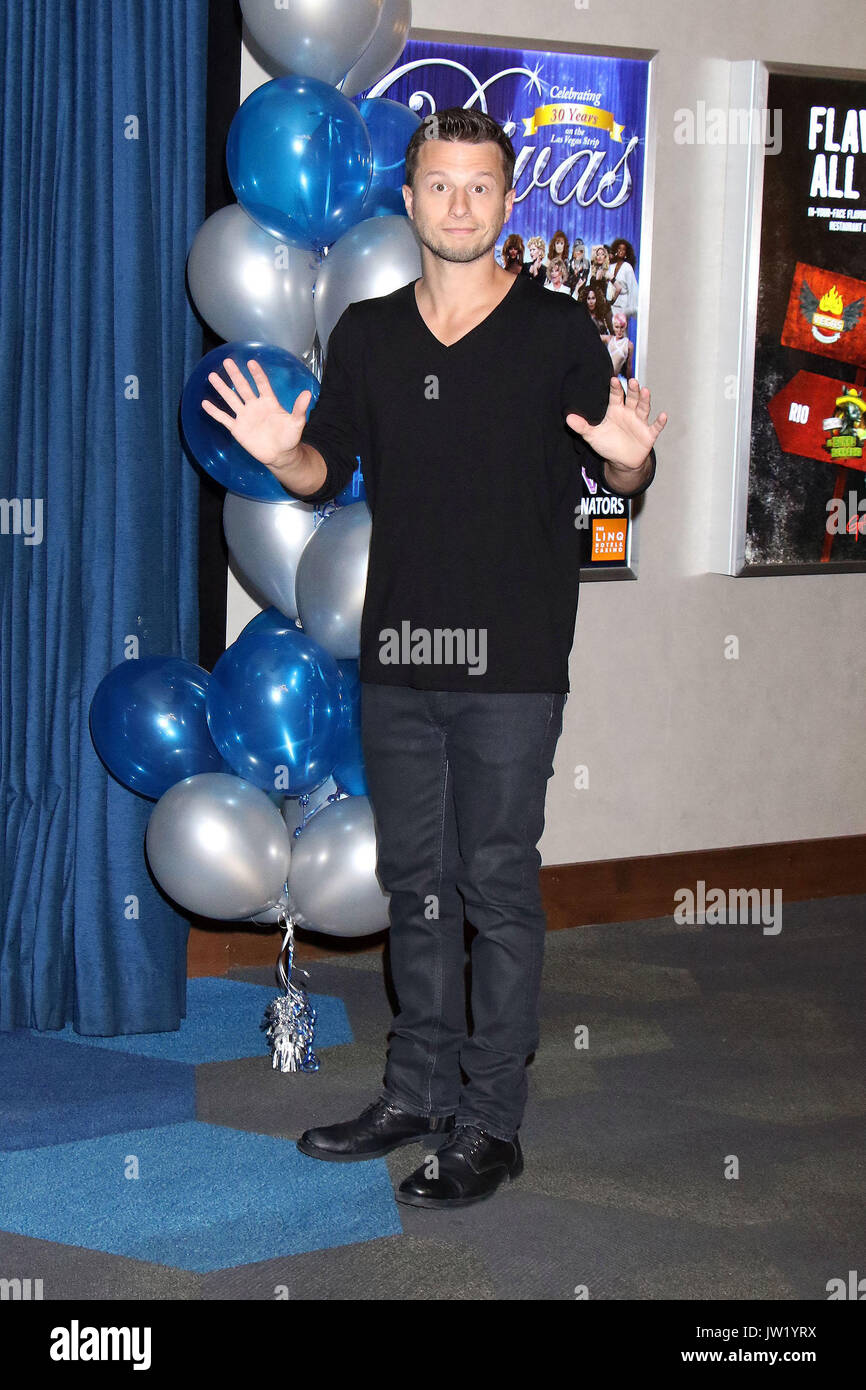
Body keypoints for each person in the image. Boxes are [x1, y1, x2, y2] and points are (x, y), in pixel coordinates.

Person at [201, 108, 666, 1209]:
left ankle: (488, 1120)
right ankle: (413, 1091)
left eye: (480, 187)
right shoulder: (365, 334)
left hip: (511, 665)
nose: (459, 206)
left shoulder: (558, 330)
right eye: (439, 186)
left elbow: (619, 468)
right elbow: (328, 469)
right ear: (407, 201)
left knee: (492, 886)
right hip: (400, 654)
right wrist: (286, 456)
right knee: (415, 886)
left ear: (507, 201)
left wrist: (636, 471)